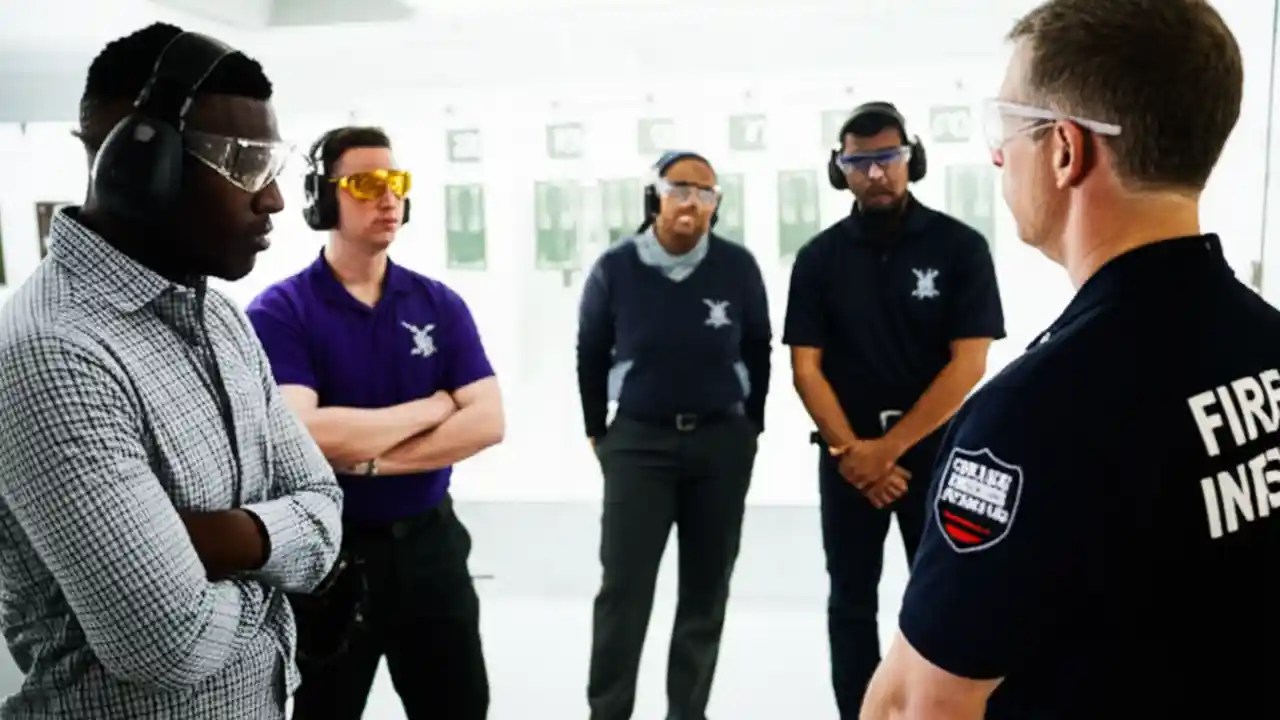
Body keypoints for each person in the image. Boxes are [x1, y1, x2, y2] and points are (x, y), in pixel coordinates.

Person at [861, 1, 1275, 719]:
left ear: (1064, 150)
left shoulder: (1032, 418)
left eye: (1007, 127)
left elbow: (915, 706)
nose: (996, 154)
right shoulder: (1264, 345)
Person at [0, 23, 343, 719]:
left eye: (271, 163)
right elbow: (168, 645)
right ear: (137, 162)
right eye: (242, 163)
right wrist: (274, 571)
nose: (274, 198)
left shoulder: (222, 320)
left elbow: (325, 511)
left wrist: (220, 542)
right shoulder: (55, 353)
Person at [245, 126, 503, 720]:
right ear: (322, 198)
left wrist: (368, 460)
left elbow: (488, 421)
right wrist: (432, 409)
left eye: (395, 183)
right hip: (330, 555)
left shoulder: (438, 304)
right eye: (364, 184)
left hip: (432, 549)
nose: (386, 198)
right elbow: (305, 435)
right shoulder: (283, 311)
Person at [781, 101, 1005, 717]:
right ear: (840, 169)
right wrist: (857, 454)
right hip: (846, 456)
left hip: (934, 457)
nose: (875, 173)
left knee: (941, 598)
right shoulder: (819, 259)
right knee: (850, 601)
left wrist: (887, 451)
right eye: (859, 162)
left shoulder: (960, 248)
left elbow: (968, 364)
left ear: (912, 159)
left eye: (887, 158)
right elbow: (806, 369)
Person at [578, 150, 772, 720]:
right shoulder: (616, 268)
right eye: (680, 188)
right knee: (623, 592)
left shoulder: (736, 267)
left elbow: (758, 346)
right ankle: (607, 712)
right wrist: (598, 431)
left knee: (706, 594)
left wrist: (749, 427)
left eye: (706, 193)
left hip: (720, 445)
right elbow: (590, 350)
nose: (692, 201)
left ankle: (687, 712)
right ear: (654, 195)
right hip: (639, 444)